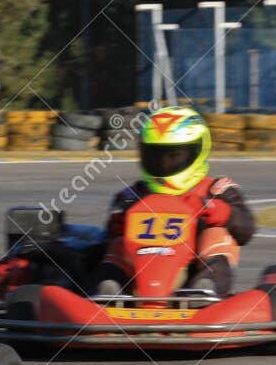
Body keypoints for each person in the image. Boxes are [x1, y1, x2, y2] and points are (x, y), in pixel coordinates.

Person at [90, 106, 255, 297]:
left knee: (216, 234)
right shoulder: (132, 195)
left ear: (197, 151)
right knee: (117, 244)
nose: (164, 164)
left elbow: (247, 230)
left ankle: (205, 288)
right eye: (155, 156)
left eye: (173, 156)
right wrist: (118, 226)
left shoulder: (217, 190)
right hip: (137, 277)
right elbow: (106, 240)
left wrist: (220, 212)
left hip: (191, 273)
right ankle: (109, 288)